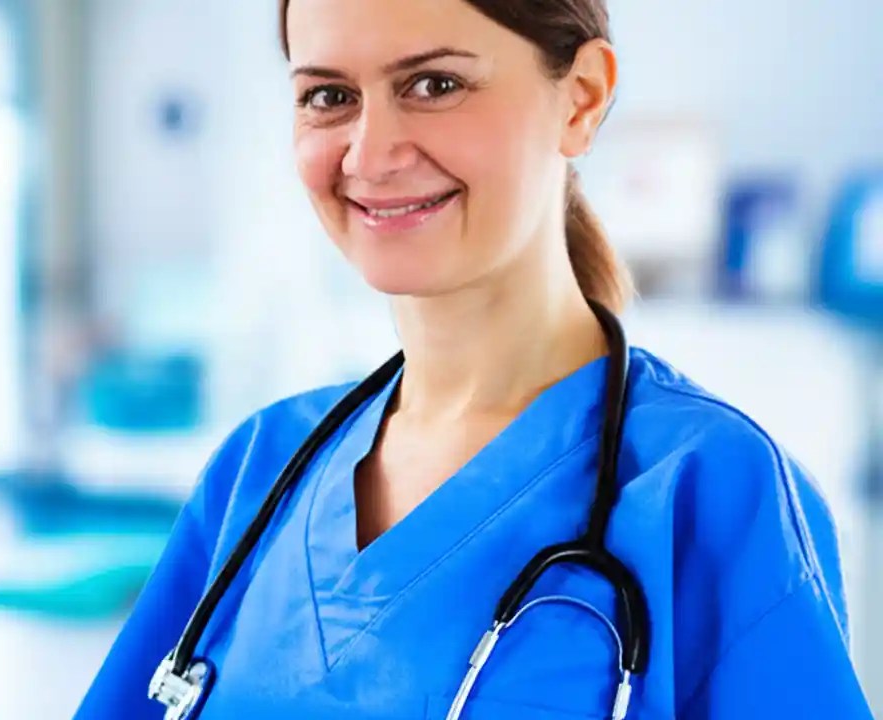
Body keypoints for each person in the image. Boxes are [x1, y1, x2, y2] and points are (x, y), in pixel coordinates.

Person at [75, 0, 875, 717]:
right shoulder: (259, 473)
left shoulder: (709, 491)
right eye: (329, 95)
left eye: (433, 85)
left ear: (583, 97)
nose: (370, 152)